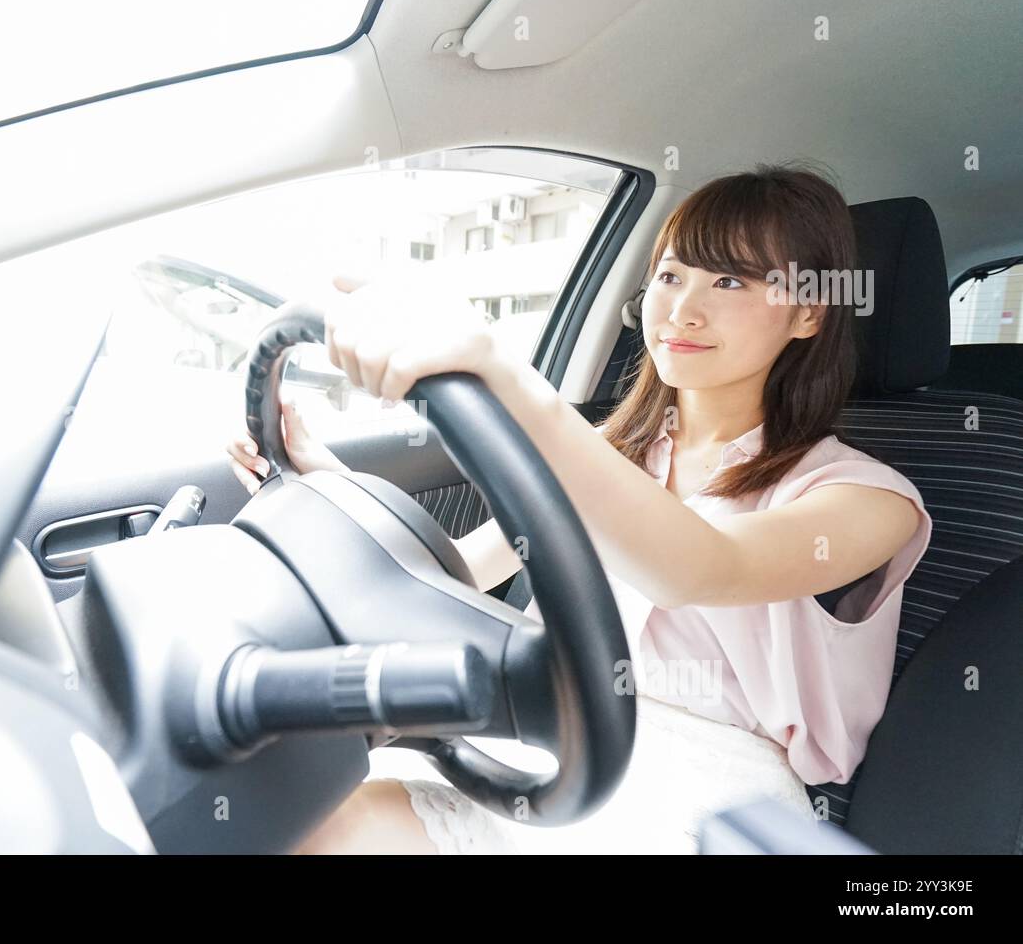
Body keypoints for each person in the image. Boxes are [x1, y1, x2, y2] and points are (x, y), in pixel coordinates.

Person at [225, 162, 934, 854]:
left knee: (345, 823)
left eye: (730, 280)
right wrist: (328, 486)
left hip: (707, 793)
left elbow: (701, 569)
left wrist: (503, 373)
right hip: (549, 730)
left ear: (808, 312)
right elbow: (451, 580)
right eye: (670, 275)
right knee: (295, 793)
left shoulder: (868, 500)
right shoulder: (611, 452)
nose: (683, 308)